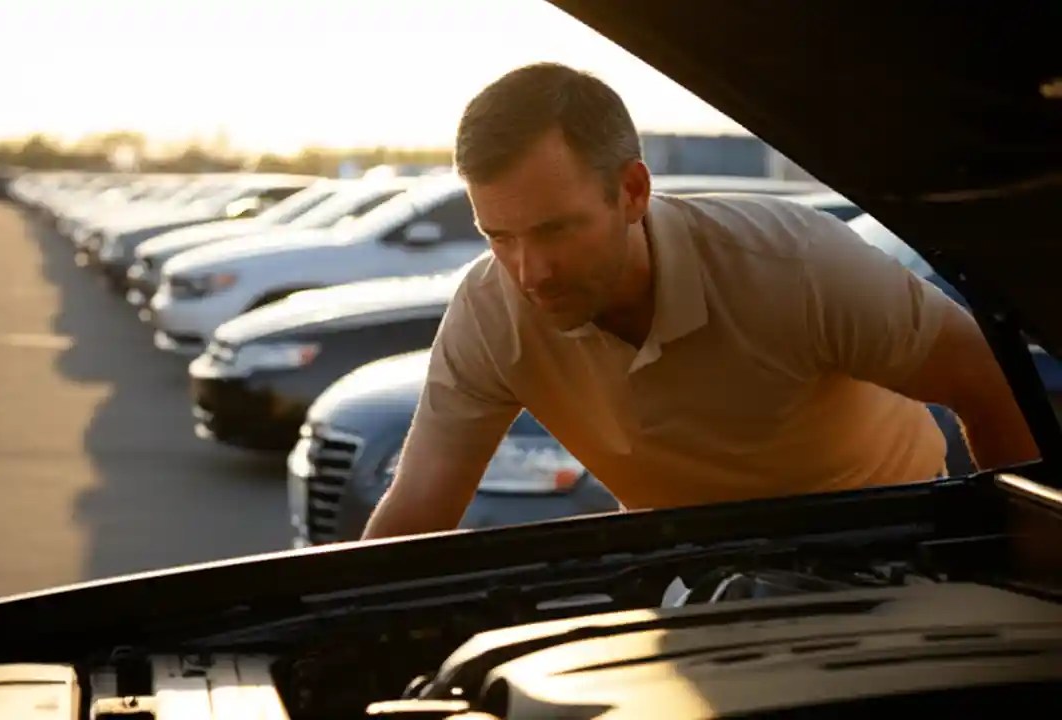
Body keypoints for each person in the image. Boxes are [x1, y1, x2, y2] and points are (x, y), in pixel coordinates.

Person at [361, 62, 1039, 541]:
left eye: (555, 229)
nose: (528, 271)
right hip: (690, 571)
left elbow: (988, 379)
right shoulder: (488, 310)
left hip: (890, 548)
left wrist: (1024, 574)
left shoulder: (794, 263)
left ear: (631, 192)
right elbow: (417, 507)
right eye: (498, 236)